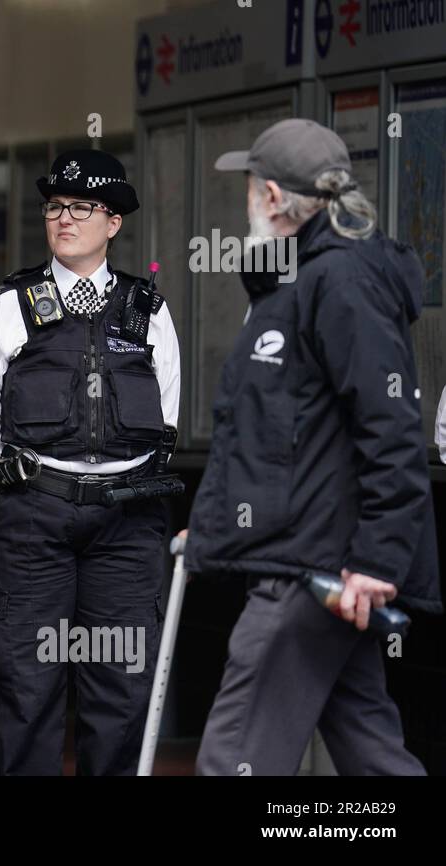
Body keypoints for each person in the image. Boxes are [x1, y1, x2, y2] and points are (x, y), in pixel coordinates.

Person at [185, 118, 442, 775]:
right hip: (318, 563)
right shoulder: (298, 283)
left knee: (233, 757)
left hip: (314, 567)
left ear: (272, 196)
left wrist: (376, 561)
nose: (244, 203)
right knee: (371, 753)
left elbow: (390, 428)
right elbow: (275, 433)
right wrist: (214, 525)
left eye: (248, 188)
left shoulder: (341, 283)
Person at [0, 149, 182, 775]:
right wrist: (20, 494)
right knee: (27, 685)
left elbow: (166, 418)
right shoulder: (6, 306)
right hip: (34, 522)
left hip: (128, 526)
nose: (65, 218)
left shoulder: (148, 312)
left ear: (113, 222)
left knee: (121, 689)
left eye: (82, 207)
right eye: (55, 206)